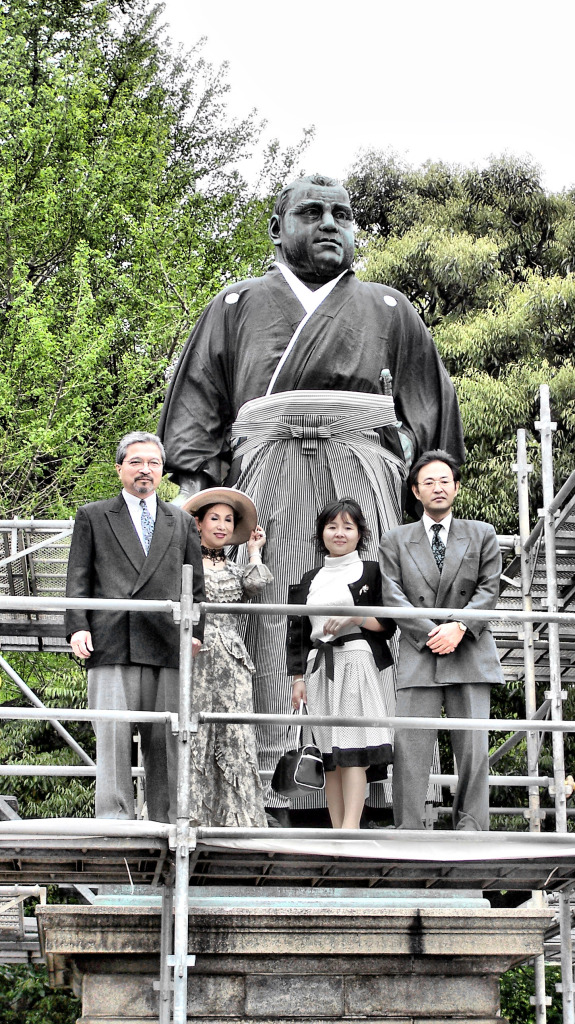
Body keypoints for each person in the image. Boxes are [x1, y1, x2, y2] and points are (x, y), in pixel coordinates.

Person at [158, 173, 465, 817]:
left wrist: (416, 488)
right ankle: (263, 773)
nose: (331, 223)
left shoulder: (389, 309)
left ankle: (374, 779)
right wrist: (201, 500)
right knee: (268, 614)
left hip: (364, 471)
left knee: (371, 611)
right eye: (312, 211)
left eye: (342, 213)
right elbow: (196, 413)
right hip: (265, 472)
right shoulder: (236, 306)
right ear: (278, 227)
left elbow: (431, 416)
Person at [65, 432, 205, 822]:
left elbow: (195, 587)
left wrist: (195, 632)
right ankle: (114, 819)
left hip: (165, 641)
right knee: (112, 738)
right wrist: (77, 626)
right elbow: (77, 577)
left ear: (163, 472)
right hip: (112, 639)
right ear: (120, 468)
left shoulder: (180, 521)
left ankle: (166, 819)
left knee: (165, 740)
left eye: (154, 463)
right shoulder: (93, 515)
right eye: (136, 462)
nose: (145, 470)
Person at [378, 450, 504, 831]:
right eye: (428, 482)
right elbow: (392, 595)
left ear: (456, 487)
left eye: (444, 481)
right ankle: (409, 827)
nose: (437, 488)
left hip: (470, 651)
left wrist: (460, 627)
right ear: (415, 491)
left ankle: (471, 826)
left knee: (473, 750)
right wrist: (434, 632)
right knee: (411, 749)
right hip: (420, 652)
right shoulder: (396, 539)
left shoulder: (482, 533)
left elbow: (489, 589)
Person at [287, 499, 395, 829]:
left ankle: (351, 829)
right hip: (319, 667)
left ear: (359, 533)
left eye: (348, 527)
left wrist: (355, 617)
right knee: (328, 756)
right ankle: (337, 830)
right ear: (321, 533)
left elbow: (389, 624)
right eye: (332, 526)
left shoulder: (373, 571)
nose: (340, 533)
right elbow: (297, 632)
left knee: (353, 751)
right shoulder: (309, 578)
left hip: (356, 662)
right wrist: (297, 677)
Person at [181, 487, 272, 828]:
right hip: (195, 654)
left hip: (233, 658)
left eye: (228, 520)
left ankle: (240, 820)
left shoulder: (237, 569)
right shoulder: (183, 564)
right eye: (214, 518)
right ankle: (191, 817)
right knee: (194, 731)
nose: (221, 526)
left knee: (235, 734)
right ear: (199, 523)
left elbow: (258, 583)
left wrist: (254, 552)